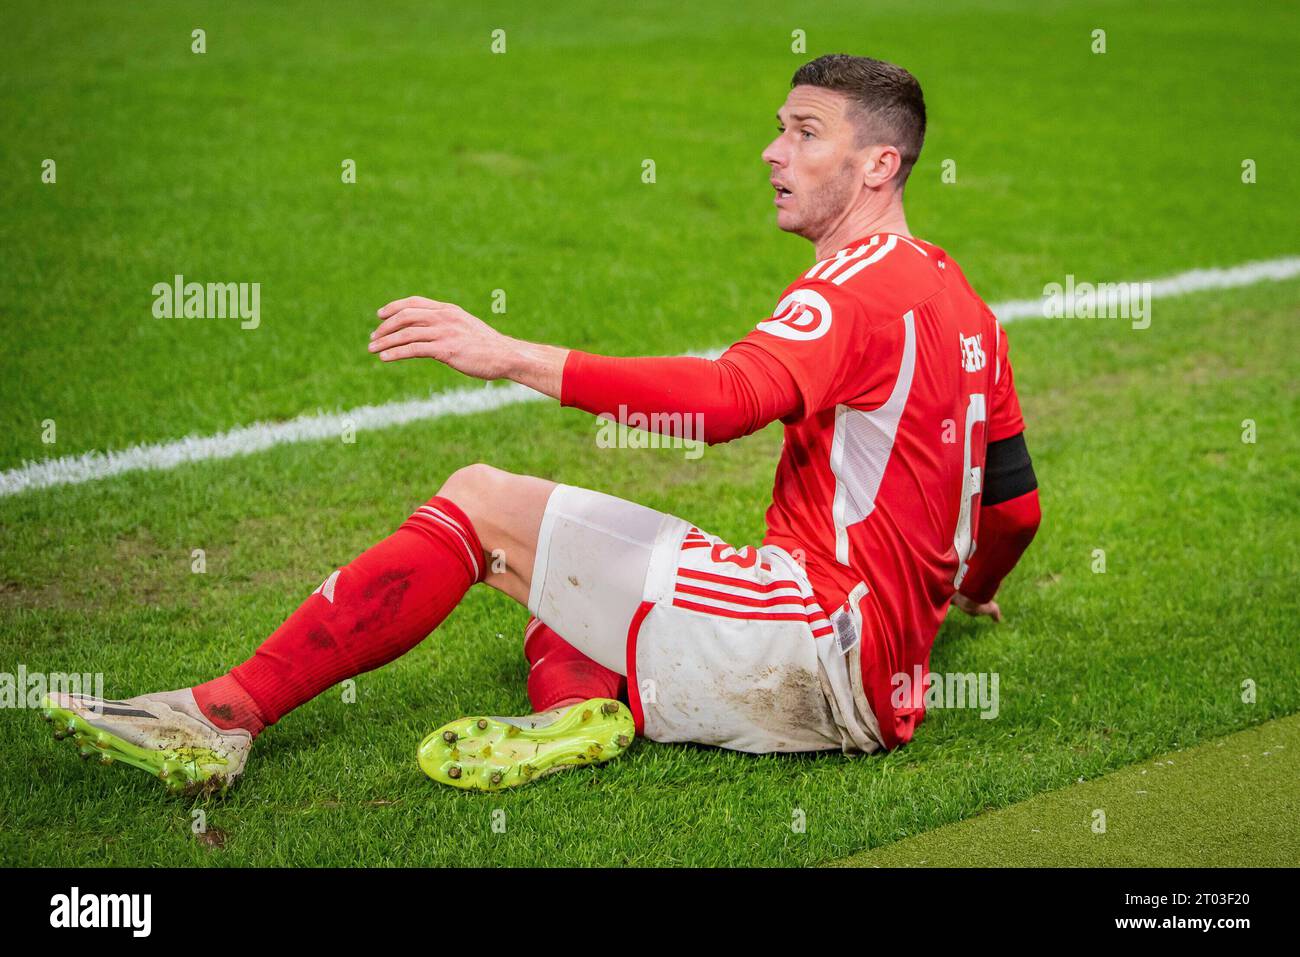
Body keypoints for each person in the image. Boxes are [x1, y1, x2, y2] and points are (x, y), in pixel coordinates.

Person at [42, 54, 1041, 794]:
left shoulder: (854, 290)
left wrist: (511, 356)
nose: (773, 151)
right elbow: (1014, 510)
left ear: (878, 166)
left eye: (805, 132)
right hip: (875, 670)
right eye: (779, 126)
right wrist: (971, 595)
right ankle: (575, 716)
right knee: (563, 560)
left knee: (482, 504)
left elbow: (725, 402)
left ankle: (218, 718)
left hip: (809, 643)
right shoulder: (966, 306)